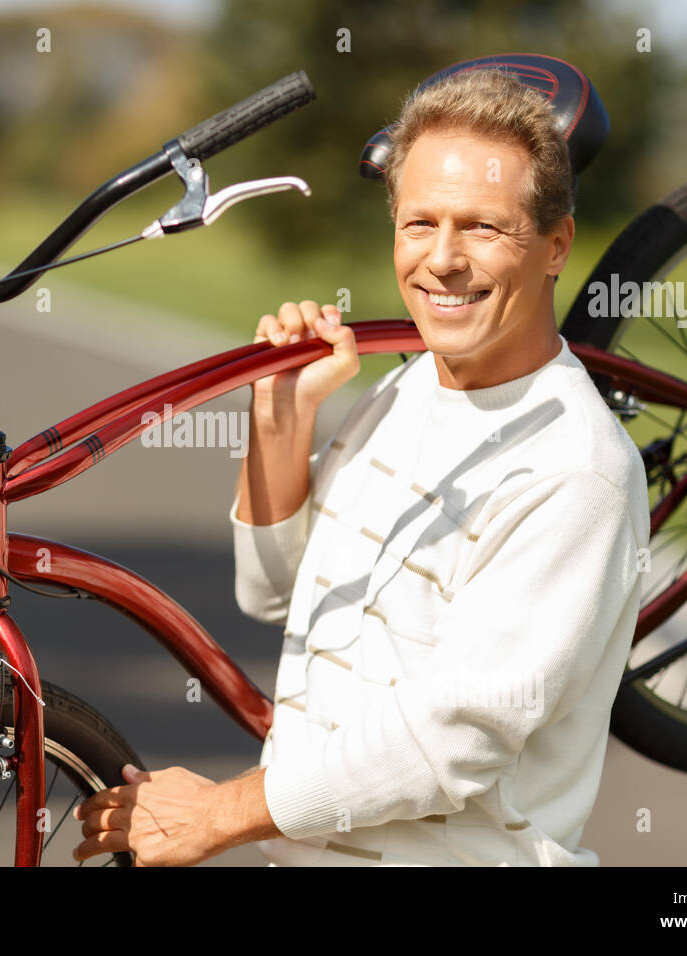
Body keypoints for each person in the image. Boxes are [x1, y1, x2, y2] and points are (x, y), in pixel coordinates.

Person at [72, 67, 650, 866]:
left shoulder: (574, 470)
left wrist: (219, 811)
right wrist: (281, 417)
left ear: (556, 247)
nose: (441, 260)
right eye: (419, 223)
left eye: (482, 227)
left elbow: (453, 740)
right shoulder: (407, 386)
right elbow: (275, 593)